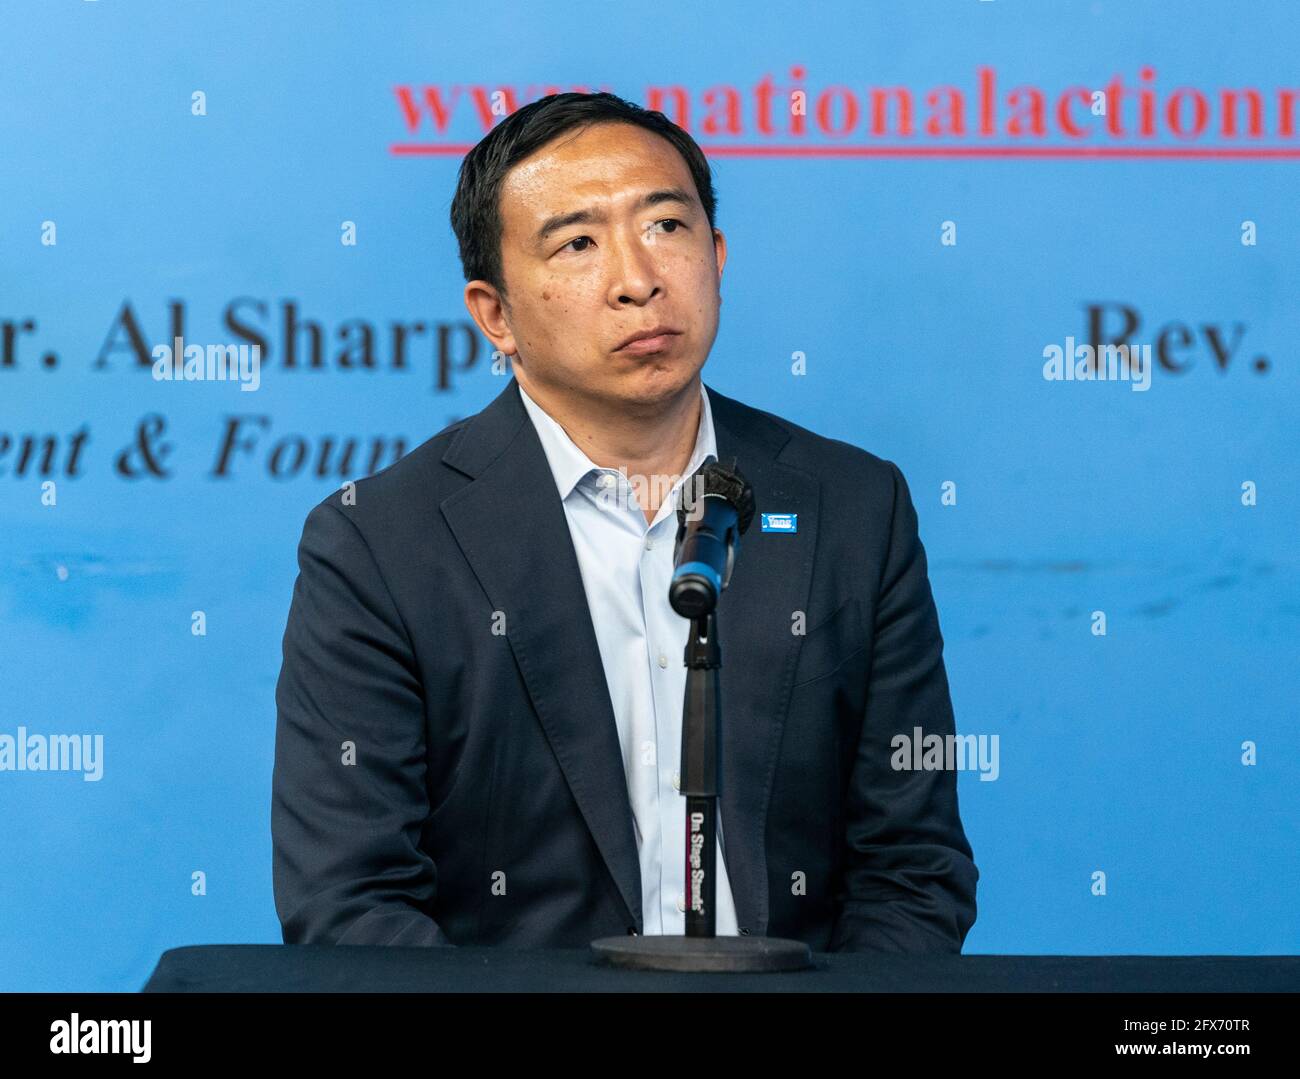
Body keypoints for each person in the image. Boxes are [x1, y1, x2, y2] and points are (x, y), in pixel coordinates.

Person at [271, 91, 978, 952]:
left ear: (716, 256)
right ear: (496, 315)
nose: (638, 278)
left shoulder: (854, 507)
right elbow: (350, 901)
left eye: (667, 228)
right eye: (578, 242)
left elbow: (911, 867)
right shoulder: (380, 544)